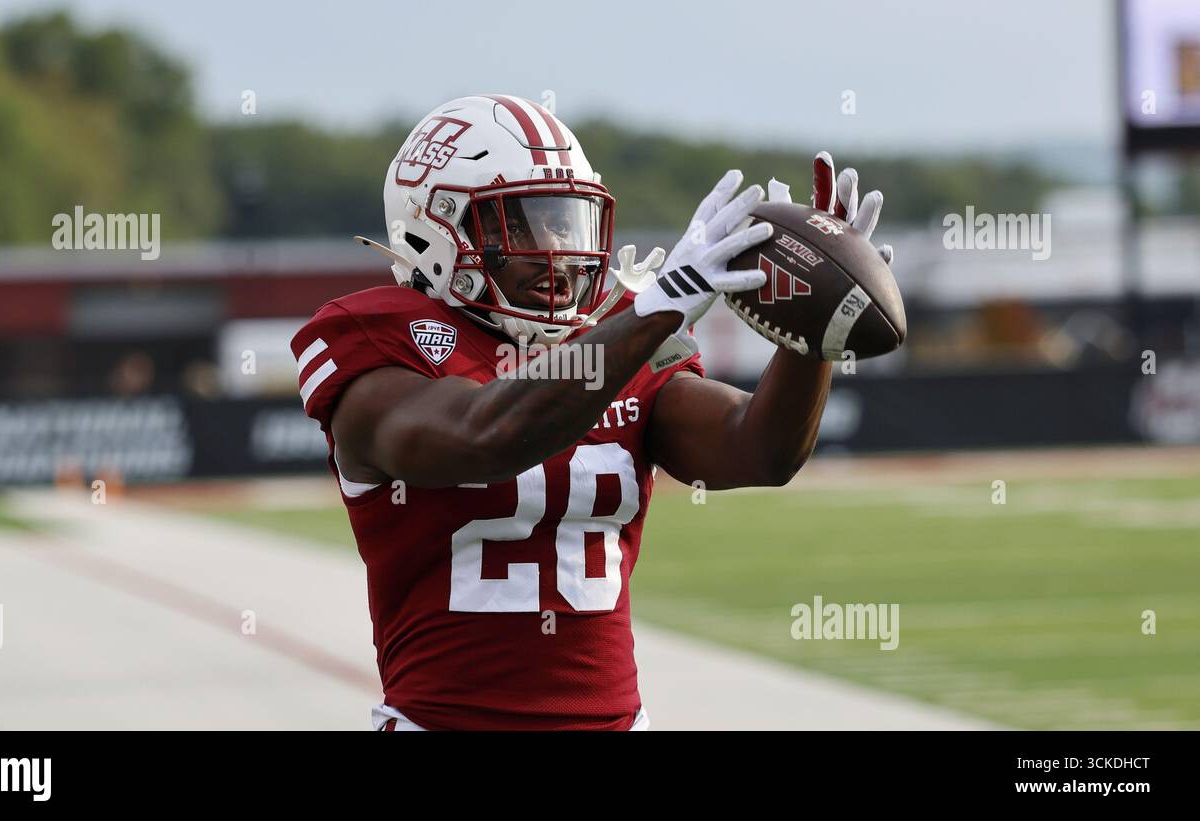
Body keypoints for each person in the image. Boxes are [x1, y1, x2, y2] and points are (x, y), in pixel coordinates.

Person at [291, 95, 891, 730]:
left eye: (567, 222)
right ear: (435, 226)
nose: (558, 248)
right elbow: (486, 434)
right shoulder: (383, 338)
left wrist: (812, 332)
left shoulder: (622, 327)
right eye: (521, 223)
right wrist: (654, 311)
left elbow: (758, 449)